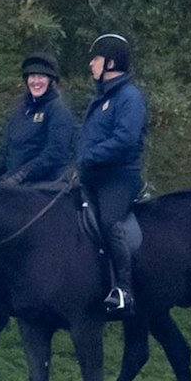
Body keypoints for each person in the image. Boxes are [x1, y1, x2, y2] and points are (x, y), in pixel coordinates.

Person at [75, 33, 147, 315]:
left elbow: (125, 140)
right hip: (93, 176)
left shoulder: (130, 98)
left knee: (109, 221)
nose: (91, 64)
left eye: (96, 58)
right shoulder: (101, 99)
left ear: (111, 62)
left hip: (119, 178)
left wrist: (88, 157)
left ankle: (124, 292)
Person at [0, 52, 75, 185]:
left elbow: (55, 153)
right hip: (14, 181)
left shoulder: (57, 110)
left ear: (50, 80)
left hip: (44, 184)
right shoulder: (19, 111)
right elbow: (6, 153)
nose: (36, 82)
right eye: (32, 76)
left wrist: (21, 176)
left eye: (41, 76)